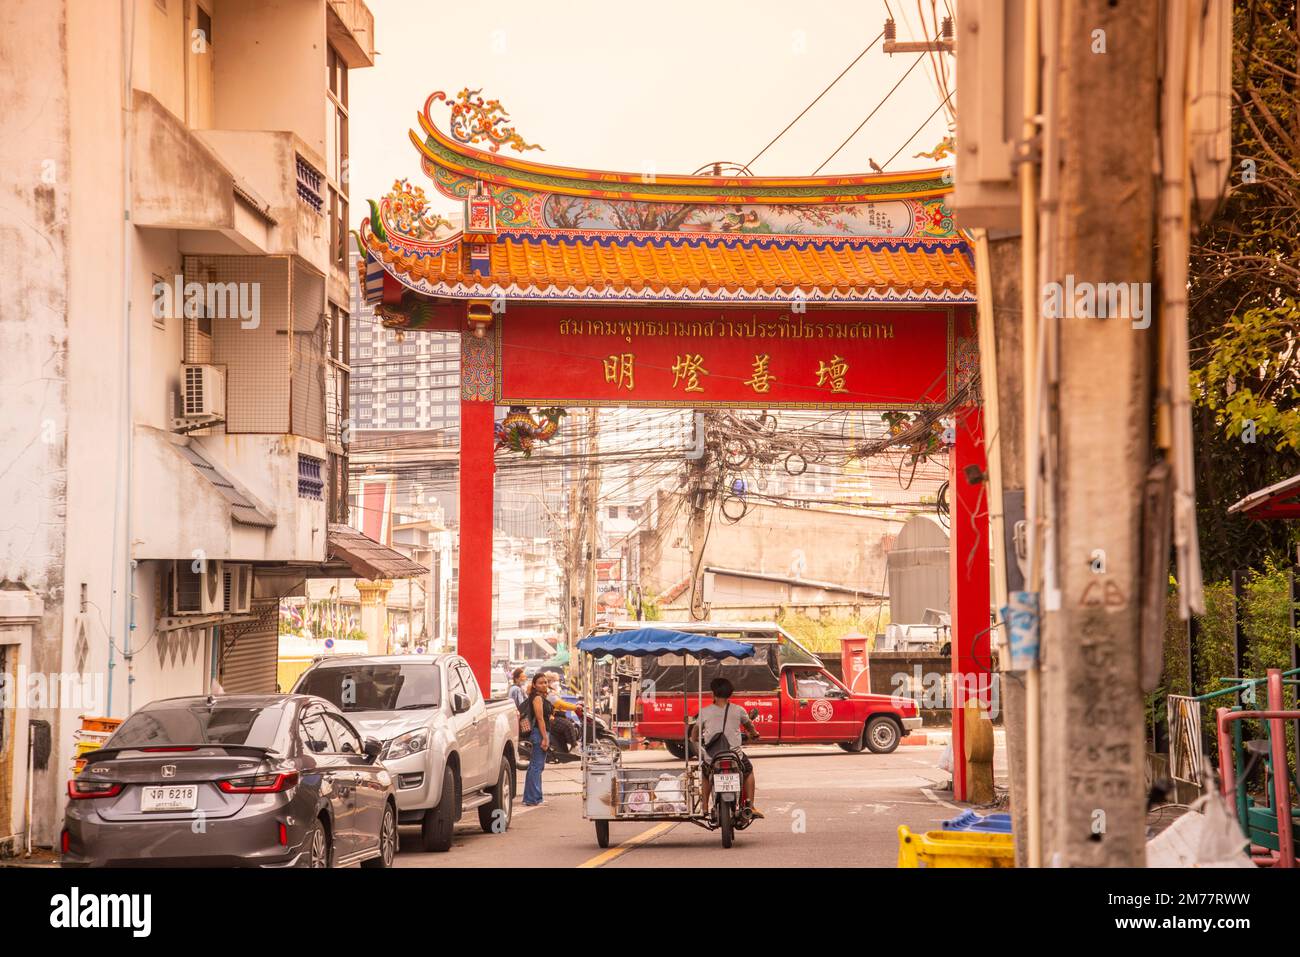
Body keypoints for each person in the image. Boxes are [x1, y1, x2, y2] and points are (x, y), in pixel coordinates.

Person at [691, 677, 764, 819]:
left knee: (706, 773)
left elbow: (695, 732)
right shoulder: (739, 710)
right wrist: (754, 734)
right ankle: (750, 806)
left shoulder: (705, 711)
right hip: (734, 756)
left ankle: (705, 807)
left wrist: (693, 738)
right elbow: (749, 726)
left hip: (713, 757)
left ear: (713, 693)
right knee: (748, 770)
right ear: (730, 694)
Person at [523, 673, 554, 806]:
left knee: (535, 766)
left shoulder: (539, 697)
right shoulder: (537, 698)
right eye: (540, 683)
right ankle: (533, 798)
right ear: (534, 685)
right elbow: (540, 718)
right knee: (536, 766)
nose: (544, 685)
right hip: (538, 733)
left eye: (546, 682)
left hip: (539, 732)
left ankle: (534, 797)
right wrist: (545, 737)